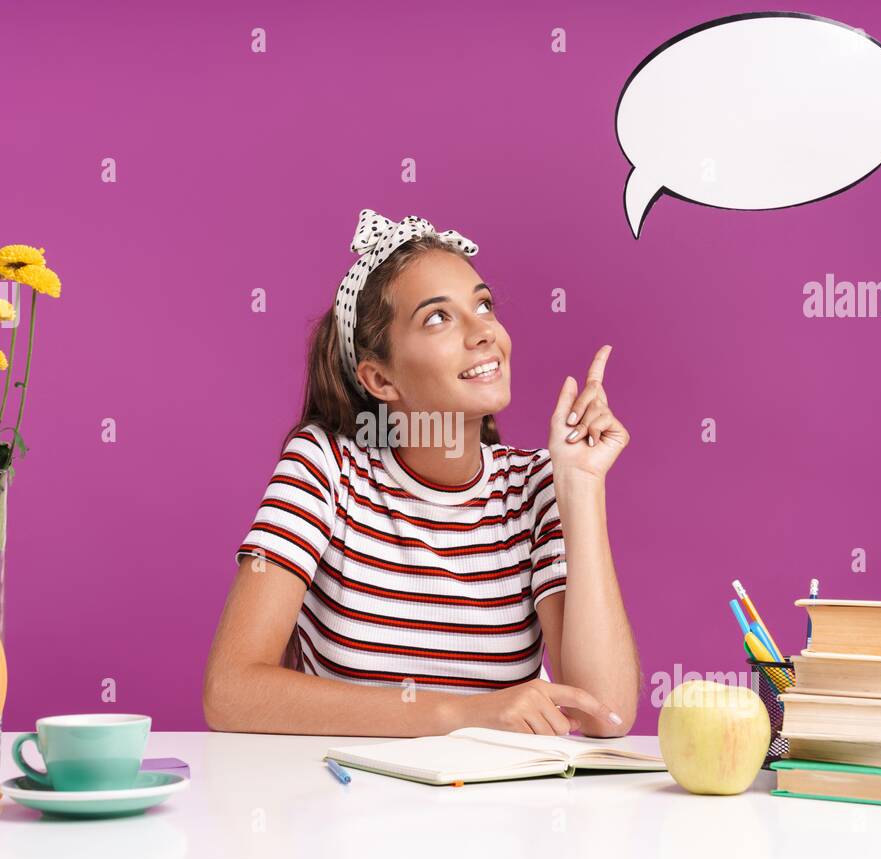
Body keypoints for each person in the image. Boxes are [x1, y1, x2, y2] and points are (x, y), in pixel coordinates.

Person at [203, 209, 639, 737]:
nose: (484, 332)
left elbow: (604, 713)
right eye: (438, 317)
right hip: (342, 807)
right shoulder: (327, 467)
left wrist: (581, 487)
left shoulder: (535, 487)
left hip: (494, 813)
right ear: (380, 378)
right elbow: (231, 692)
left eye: (483, 305)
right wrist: (461, 715)